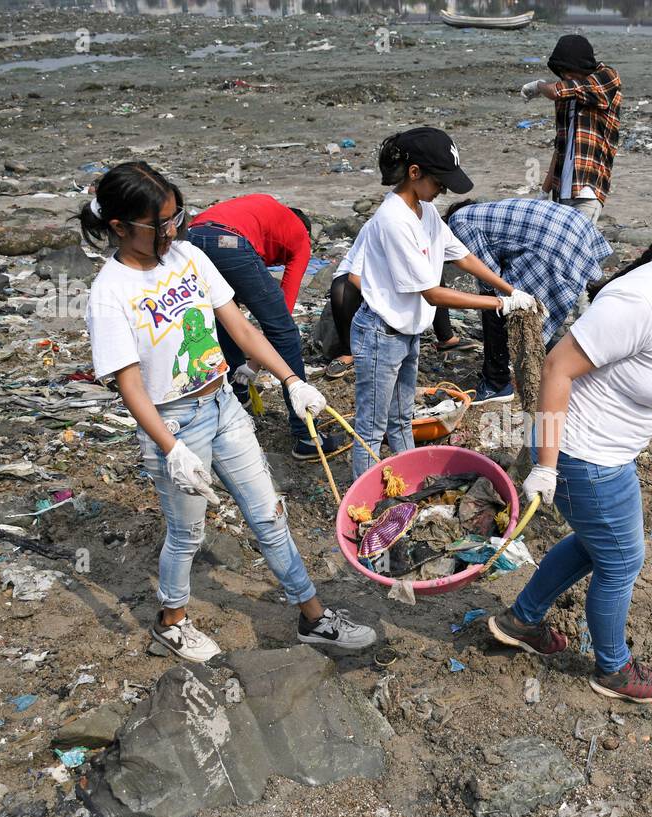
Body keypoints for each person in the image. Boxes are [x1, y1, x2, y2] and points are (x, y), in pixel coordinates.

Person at [80, 161, 378, 662]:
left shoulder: (189, 256)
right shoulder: (110, 293)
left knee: (269, 514)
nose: (173, 231)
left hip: (223, 405)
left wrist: (291, 381)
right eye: (160, 224)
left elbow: (240, 329)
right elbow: (130, 386)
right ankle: (171, 621)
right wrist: (171, 449)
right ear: (119, 226)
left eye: (177, 218)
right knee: (187, 533)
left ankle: (313, 617)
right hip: (172, 422)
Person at [487, 215, 652, 703]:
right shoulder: (638, 300)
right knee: (622, 560)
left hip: (605, 454)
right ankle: (614, 669)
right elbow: (556, 367)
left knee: (599, 545)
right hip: (583, 456)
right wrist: (545, 464)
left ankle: (521, 620)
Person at [345, 127, 537, 479]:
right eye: (439, 182)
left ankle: (408, 484)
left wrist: (510, 290)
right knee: (371, 427)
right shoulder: (392, 220)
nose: (443, 191)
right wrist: (496, 303)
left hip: (407, 332)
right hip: (380, 334)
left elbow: (462, 256)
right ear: (414, 172)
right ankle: (367, 502)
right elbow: (432, 293)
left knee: (403, 418)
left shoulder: (426, 211)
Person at [187, 194, 320, 461]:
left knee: (223, 315)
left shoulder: (262, 214)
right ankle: (306, 436)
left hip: (190, 236)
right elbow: (281, 318)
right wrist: (257, 365)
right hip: (229, 241)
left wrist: (250, 366)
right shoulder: (300, 236)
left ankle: (238, 397)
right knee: (285, 333)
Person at [442, 197, 612, 406]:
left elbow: (488, 273)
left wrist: (498, 301)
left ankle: (496, 384)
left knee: (501, 306)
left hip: (553, 243)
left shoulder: (456, 225)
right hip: (575, 225)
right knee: (545, 308)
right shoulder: (486, 210)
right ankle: (574, 365)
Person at [520, 34, 622, 224]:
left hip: (588, 190)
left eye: (569, 70)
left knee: (574, 249)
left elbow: (556, 90)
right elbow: (560, 149)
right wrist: (544, 192)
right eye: (562, 71)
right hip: (562, 193)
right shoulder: (564, 101)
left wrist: (539, 86)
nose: (566, 76)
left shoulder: (607, 77)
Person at [322, 258, 477, 382]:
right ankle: (349, 351)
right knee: (341, 288)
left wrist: (497, 297)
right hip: (366, 274)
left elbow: (463, 257)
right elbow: (354, 276)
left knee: (431, 272)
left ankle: (446, 336)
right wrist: (382, 300)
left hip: (401, 268)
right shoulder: (382, 225)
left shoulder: (428, 225)